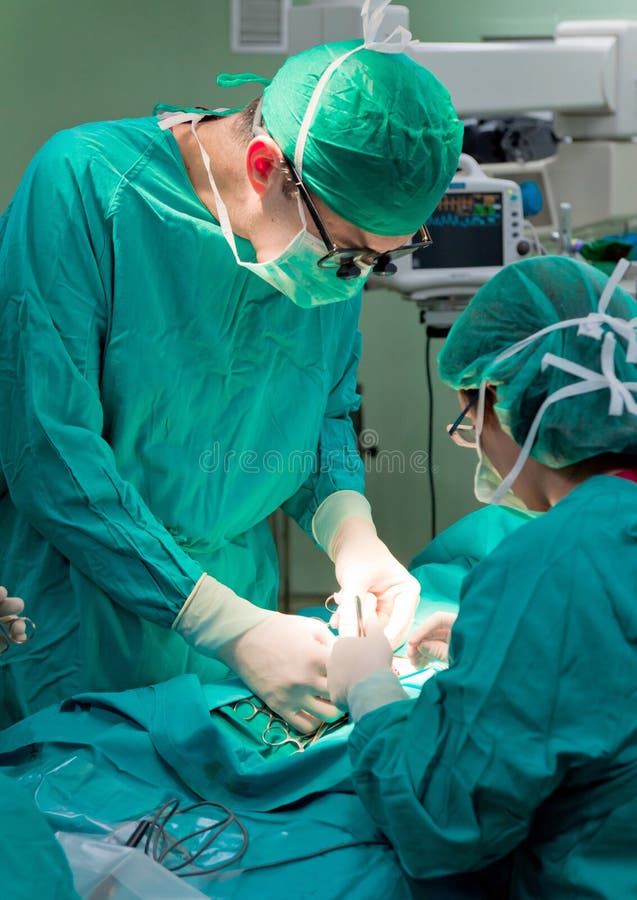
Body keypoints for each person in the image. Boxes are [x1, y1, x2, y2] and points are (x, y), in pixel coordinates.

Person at [0, 14, 463, 729]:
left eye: (380, 259)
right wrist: (225, 625)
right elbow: (50, 452)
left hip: (234, 597)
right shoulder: (88, 189)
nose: (354, 279)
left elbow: (322, 410)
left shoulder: (321, 249)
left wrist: (351, 534)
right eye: (349, 254)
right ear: (262, 168)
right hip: (78, 610)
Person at [327, 255, 637, 898]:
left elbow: (440, 819)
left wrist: (370, 688)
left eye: (468, 419)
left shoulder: (552, 567)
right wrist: (513, 643)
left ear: (500, 403)